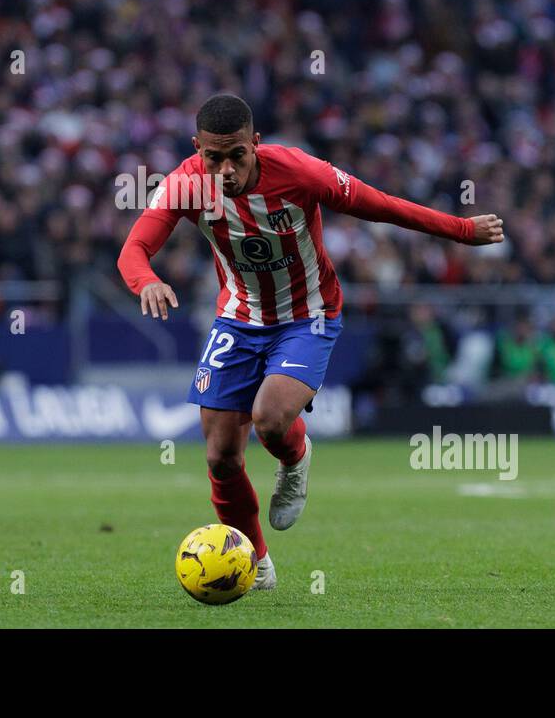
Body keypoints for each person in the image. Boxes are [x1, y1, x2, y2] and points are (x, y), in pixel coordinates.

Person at [117, 93, 503, 591]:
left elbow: (380, 205)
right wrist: (146, 281)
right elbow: (135, 248)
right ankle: (254, 560)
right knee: (219, 455)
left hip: (309, 315)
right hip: (237, 319)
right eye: (214, 157)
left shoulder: (300, 172)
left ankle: (295, 458)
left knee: (271, 419)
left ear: (256, 144)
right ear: (197, 149)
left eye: (237, 154)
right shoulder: (185, 184)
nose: (227, 169)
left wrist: (460, 229)